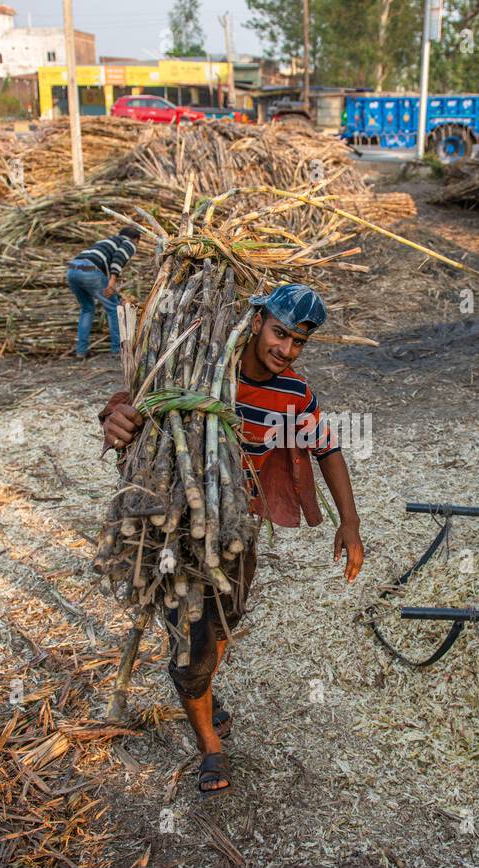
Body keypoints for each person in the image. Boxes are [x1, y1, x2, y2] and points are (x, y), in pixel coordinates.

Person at [98, 283, 365, 796]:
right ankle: (209, 745)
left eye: (298, 343)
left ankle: (203, 684)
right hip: (173, 528)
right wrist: (116, 419)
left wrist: (349, 523)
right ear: (258, 320)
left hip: (237, 530)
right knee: (191, 649)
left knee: (224, 623)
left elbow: (327, 450)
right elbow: (130, 404)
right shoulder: (201, 366)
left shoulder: (294, 394)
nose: (285, 350)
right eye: (279, 333)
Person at [67, 226, 140, 359]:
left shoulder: (105, 241)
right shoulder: (129, 242)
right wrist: (112, 280)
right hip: (90, 270)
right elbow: (119, 257)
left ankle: (81, 351)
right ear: (135, 240)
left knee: (87, 309)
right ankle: (118, 350)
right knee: (113, 308)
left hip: (72, 269)